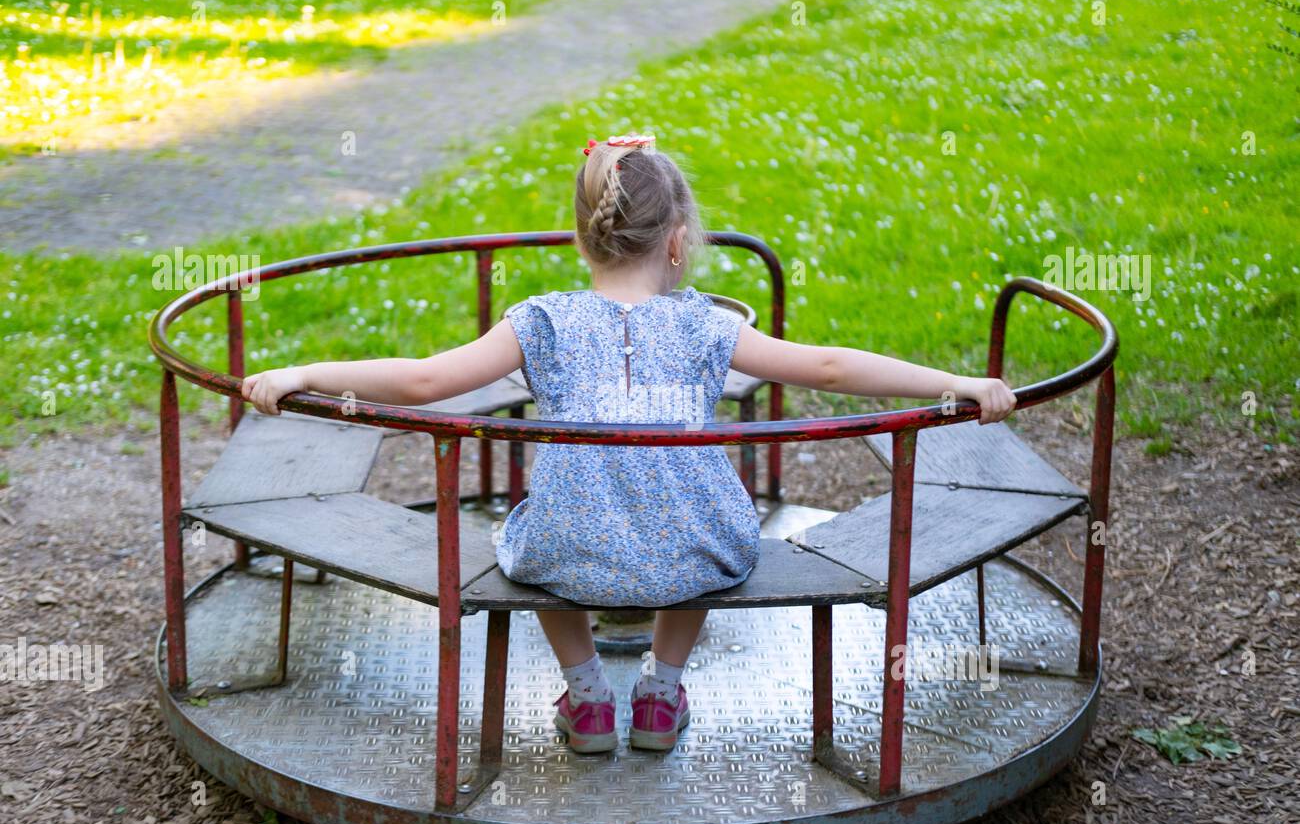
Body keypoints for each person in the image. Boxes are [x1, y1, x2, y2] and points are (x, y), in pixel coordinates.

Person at [241, 133, 1016, 755]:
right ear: (677, 242)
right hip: (695, 549)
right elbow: (830, 367)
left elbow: (422, 382)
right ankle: (660, 692)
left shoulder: (542, 320)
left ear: (583, 239)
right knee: (703, 517)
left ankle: (587, 700)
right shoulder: (708, 323)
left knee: (535, 528)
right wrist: (957, 383)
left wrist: (302, 369)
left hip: (569, 552)